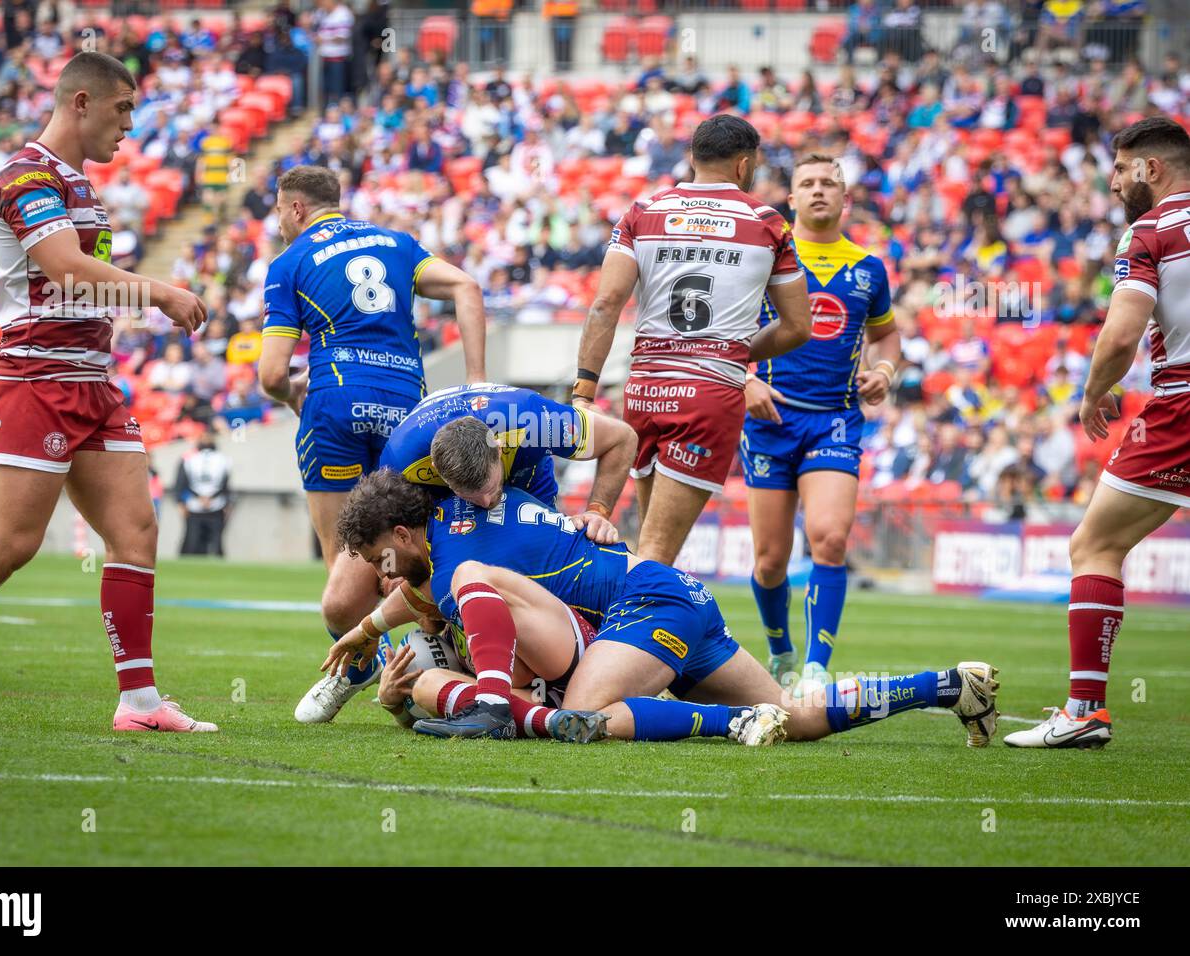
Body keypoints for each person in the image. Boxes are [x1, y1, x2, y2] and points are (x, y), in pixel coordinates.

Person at [0, 52, 215, 731]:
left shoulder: (77, 182)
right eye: (121, 109)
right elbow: (65, 267)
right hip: (35, 380)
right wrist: (158, 292)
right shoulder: (27, 174)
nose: (130, 125)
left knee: (136, 533)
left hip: (92, 381)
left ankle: (139, 701)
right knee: (10, 545)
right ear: (80, 104)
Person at [325, 470, 1000, 747]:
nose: (381, 572)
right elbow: (411, 602)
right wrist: (362, 634)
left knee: (582, 717)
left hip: (645, 605)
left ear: (407, 535)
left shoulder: (453, 566)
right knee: (797, 721)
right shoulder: (460, 524)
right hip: (670, 595)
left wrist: (470, 695)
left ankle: (734, 724)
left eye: (379, 555)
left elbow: (426, 600)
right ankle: (947, 686)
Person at [257, 164, 486, 722]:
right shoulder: (398, 243)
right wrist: (478, 386)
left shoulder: (289, 263)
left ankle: (362, 667)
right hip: (408, 409)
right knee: (410, 548)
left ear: (294, 209)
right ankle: (441, 657)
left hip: (334, 405)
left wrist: (291, 397)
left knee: (345, 560)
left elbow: (269, 375)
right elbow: (467, 286)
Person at [293, 381, 636, 723]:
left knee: (526, 603)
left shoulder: (533, 421)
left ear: (499, 450)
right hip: (441, 506)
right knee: (344, 602)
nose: (486, 503)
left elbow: (622, 437)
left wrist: (599, 510)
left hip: (530, 492)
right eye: (472, 495)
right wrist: (393, 570)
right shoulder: (403, 459)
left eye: (488, 489)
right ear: (438, 474)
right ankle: (378, 670)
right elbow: (392, 536)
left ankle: (560, 681)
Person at [1007, 117, 1190, 749]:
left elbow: (1120, 333)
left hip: (1183, 404)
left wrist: (1091, 396)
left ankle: (1085, 710)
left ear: (1152, 169)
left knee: (1094, 546)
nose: (1112, 183)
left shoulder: (1153, 230)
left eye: (1120, 169)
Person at [574, 114, 812, 567]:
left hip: (644, 390)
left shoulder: (643, 212)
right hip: (707, 394)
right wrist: (737, 354)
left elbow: (606, 303)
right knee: (656, 559)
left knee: (649, 546)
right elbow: (798, 326)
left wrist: (583, 392)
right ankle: (615, 635)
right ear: (744, 166)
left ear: (692, 159)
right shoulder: (767, 223)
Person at [741, 154, 900, 693]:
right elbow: (726, 330)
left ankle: (813, 670)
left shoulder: (869, 267)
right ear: (791, 198)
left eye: (828, 183)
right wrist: (745, 379)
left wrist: (884, 369)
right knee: (769, 562)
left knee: (829, 539)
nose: (817, 191)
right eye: (806, 183)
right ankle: (780, 649)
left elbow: (887, 336)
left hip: (834, 420)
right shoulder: (764, 255)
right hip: (768, 421)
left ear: (845, 199)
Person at [175, 433, 232, 556]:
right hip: (199, 506)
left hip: (212, 506)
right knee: (194, 542)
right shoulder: (190, 459)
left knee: (214, 544)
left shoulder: (222, 460)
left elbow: (225, 485)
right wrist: (182, 501)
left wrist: (206, 498)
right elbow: (182, 483)